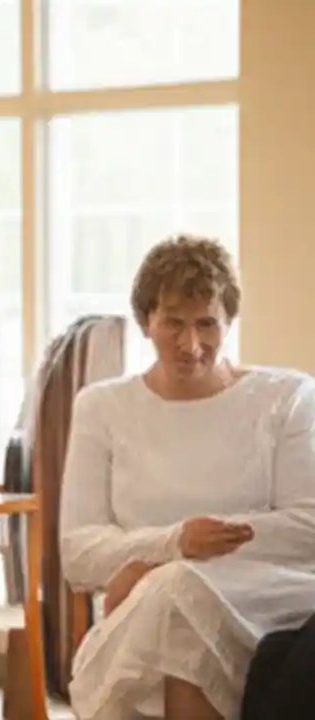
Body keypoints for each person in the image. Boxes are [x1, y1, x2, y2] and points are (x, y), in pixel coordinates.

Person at [59, 235, 315, 720]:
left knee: (176, 594)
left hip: (266, 599)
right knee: (178, 604)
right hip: (153, 608)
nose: (191, 344)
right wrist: (175, 543)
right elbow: (78, 551)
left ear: (228, 323)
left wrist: (162, 565)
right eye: (172, 323)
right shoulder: (102, 407)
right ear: (145, 322)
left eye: (206, 324)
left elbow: (308, 529)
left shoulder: (288, 397)